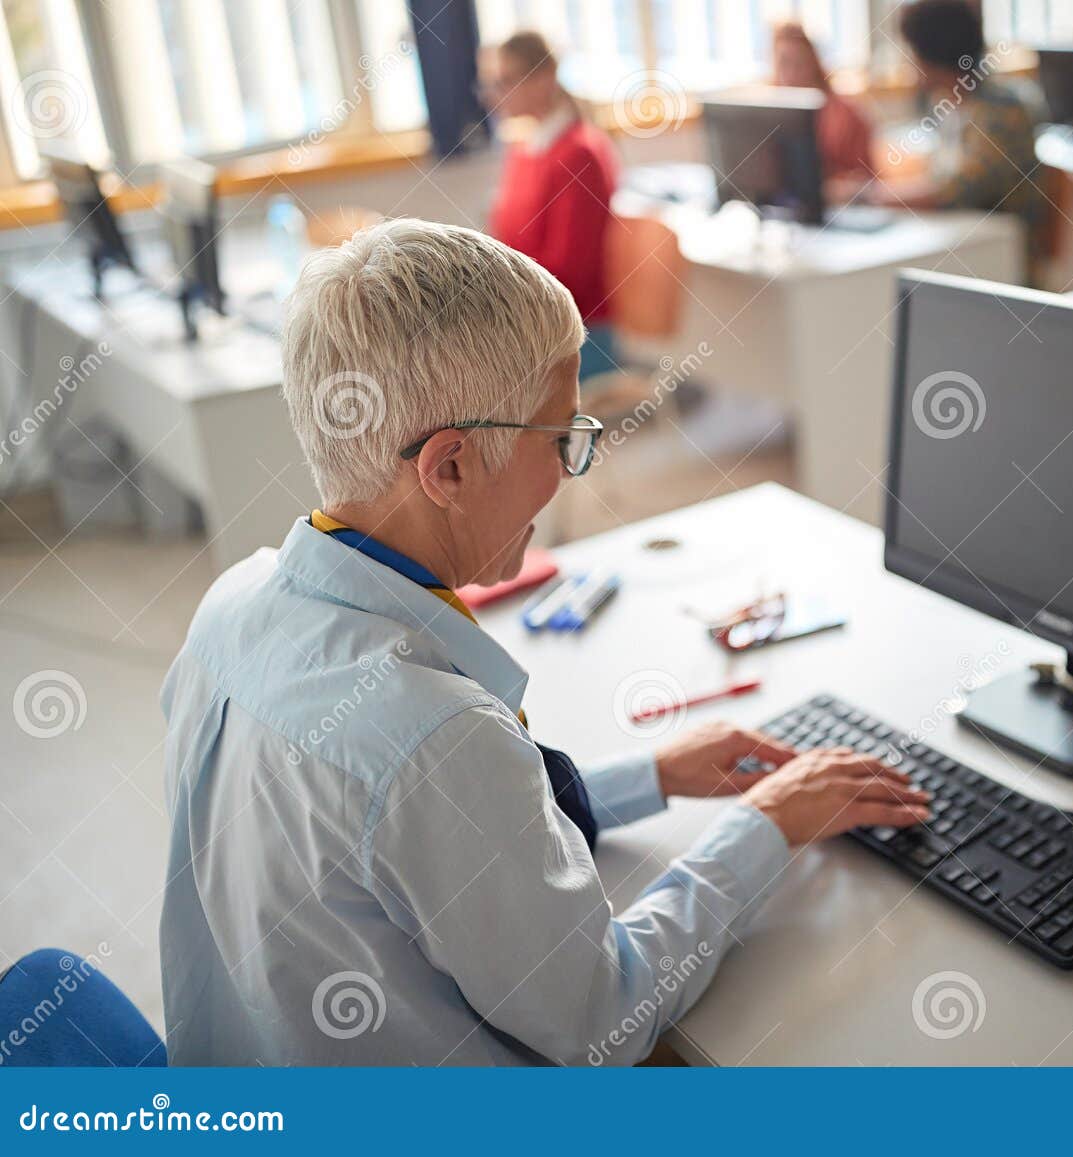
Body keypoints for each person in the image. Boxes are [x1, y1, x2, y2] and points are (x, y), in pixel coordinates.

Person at [157, 219, 930, 1066]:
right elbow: (604, 1018)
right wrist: (765, 825)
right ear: (447, 468)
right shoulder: (436, 736)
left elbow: (408, 840)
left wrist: (647, 777)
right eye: (562, 438)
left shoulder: (228, 609)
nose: (571, 467)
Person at [872, 0, 1047, 284]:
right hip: (957, 251)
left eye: (912, 53)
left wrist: (873, 196)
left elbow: (959, 190)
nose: (908, 63)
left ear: (933, 56)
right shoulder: (945, 105)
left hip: (1000, 263)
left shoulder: (1002, 111)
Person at [484, 32, 621, 380]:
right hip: (535, 320)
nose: (495, 94)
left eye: (505, 81)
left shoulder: (579, 154)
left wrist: (501, 308)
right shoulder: (525, 147)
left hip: (575, 332)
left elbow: (569, 270)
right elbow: (504, 234)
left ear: (543, 79)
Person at [772, 20, 875, 183]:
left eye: (799, 63)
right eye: (784, 63)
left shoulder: (848, 114)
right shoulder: (770, 114)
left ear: (814, 63)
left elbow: (867, 181)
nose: (791, 74)